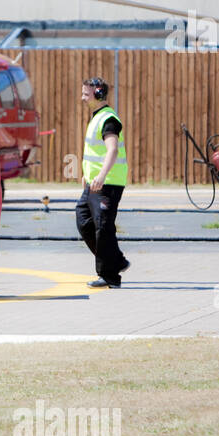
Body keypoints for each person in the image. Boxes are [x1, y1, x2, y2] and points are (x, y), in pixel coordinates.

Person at [76, 76, 130, 289]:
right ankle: (116, 260)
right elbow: (93, 152)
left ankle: (110, 276)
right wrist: (88, 175)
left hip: (107, 183)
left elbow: (112, 149)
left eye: (85, 94)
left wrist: (101, 176)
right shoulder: (96, 117)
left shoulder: (109, 119)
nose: (82, 97)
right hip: (93, 183)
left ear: (99, 94)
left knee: (103, 228)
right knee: (83, 221)